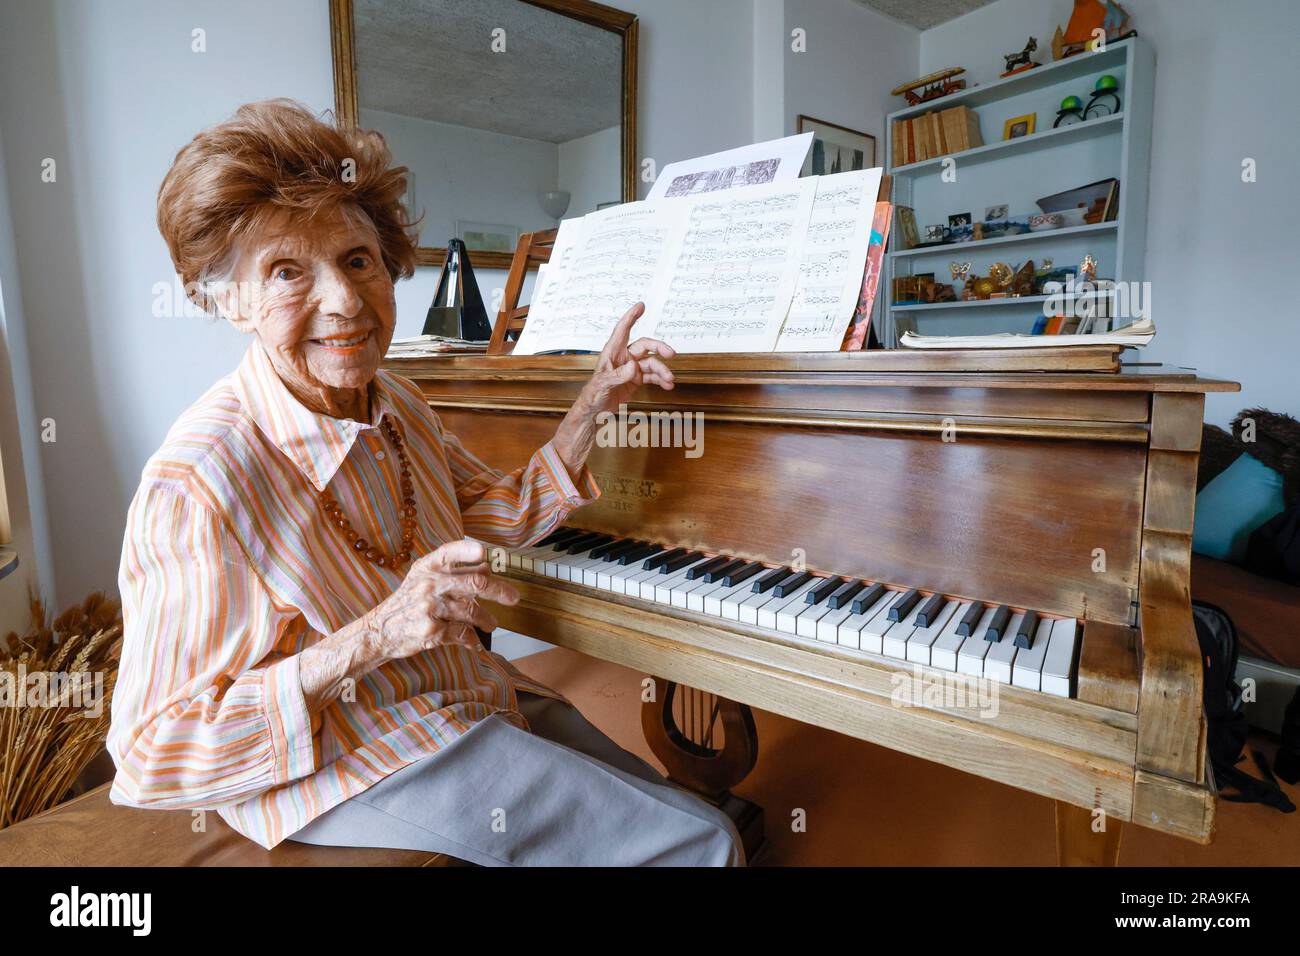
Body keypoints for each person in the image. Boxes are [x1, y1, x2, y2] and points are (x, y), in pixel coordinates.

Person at [107, 99, 743, 867]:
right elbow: (152, 751)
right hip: (344, 754)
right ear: (229, 300)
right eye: (286, 272)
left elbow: (490, 515)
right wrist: (376, 635)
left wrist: (591, 406)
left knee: (673, 804)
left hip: (456, 694)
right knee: (702, 845)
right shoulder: (198, 483)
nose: (343, 302)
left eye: (356, 260)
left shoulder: (398, 398)